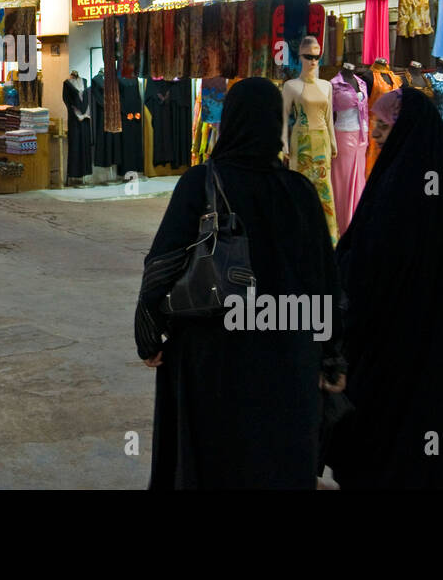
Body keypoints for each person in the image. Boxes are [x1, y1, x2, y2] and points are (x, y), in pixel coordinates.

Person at [135, 77, 345, 489]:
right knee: (274, 459)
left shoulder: (202, 182)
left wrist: (149, 335)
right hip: (286, 353)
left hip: (213, 354)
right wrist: (331, 356)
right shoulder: (299, 191)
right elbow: (326, 281)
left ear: (228, 121)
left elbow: (162, 263)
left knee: (213, 461)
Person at [330, 88, 443, 489]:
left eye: (385, 126)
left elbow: (372, 261)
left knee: (392, 428)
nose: (378, 135)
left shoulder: (399, 186)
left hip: (399, 337)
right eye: (377, 125)